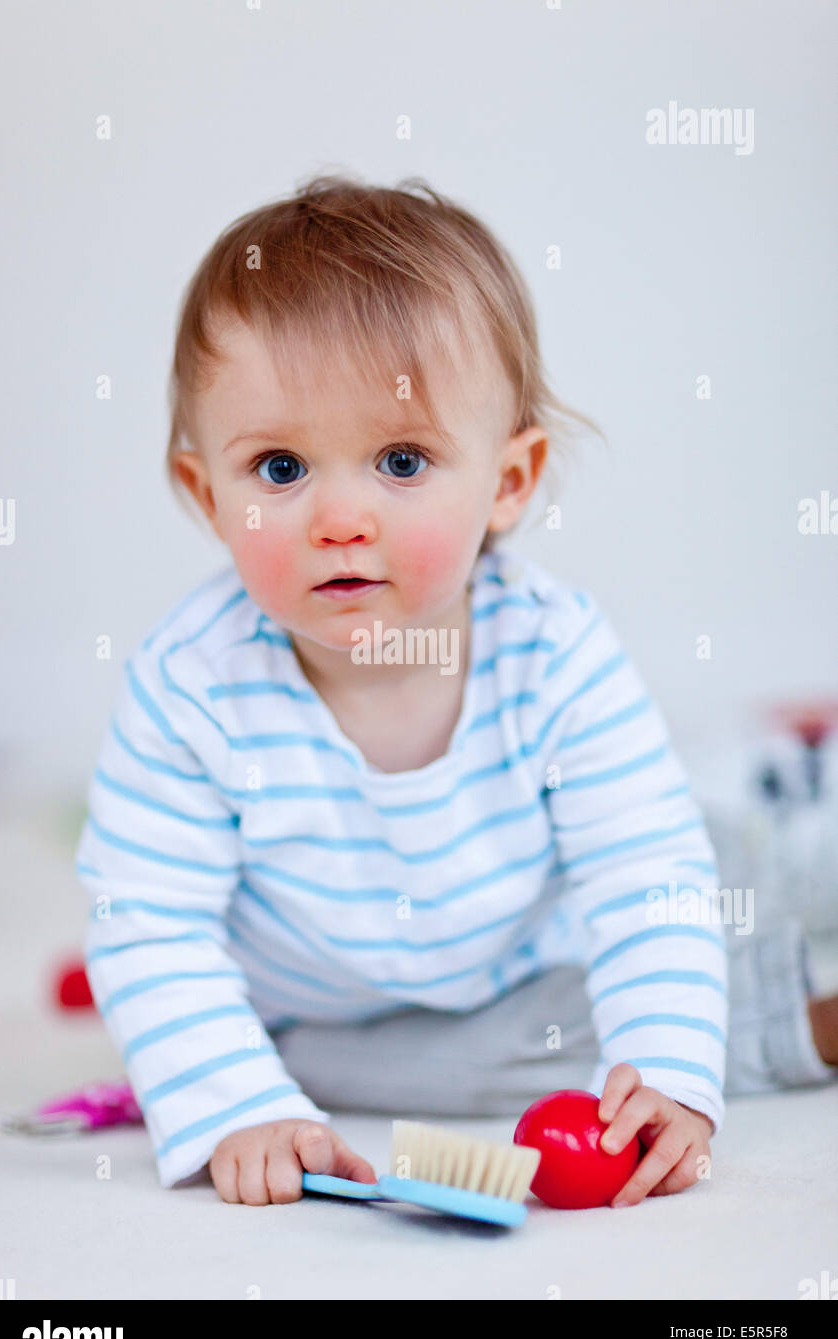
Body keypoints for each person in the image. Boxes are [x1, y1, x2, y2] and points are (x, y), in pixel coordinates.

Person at [75, 175, 837, 1207]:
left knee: (732, 852)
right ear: (209, 494)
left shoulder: (553, 654)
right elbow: (148, 918)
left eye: (399, 459)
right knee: (451, 1073)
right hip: (348, 1014)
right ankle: (790, 1014)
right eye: (281, 467)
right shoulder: (189, 691)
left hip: (540, 920)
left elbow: (643, 871)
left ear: (507, 483)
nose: (339, 517)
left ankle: (801, 793)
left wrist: (667, 1058)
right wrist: (235, 1101)